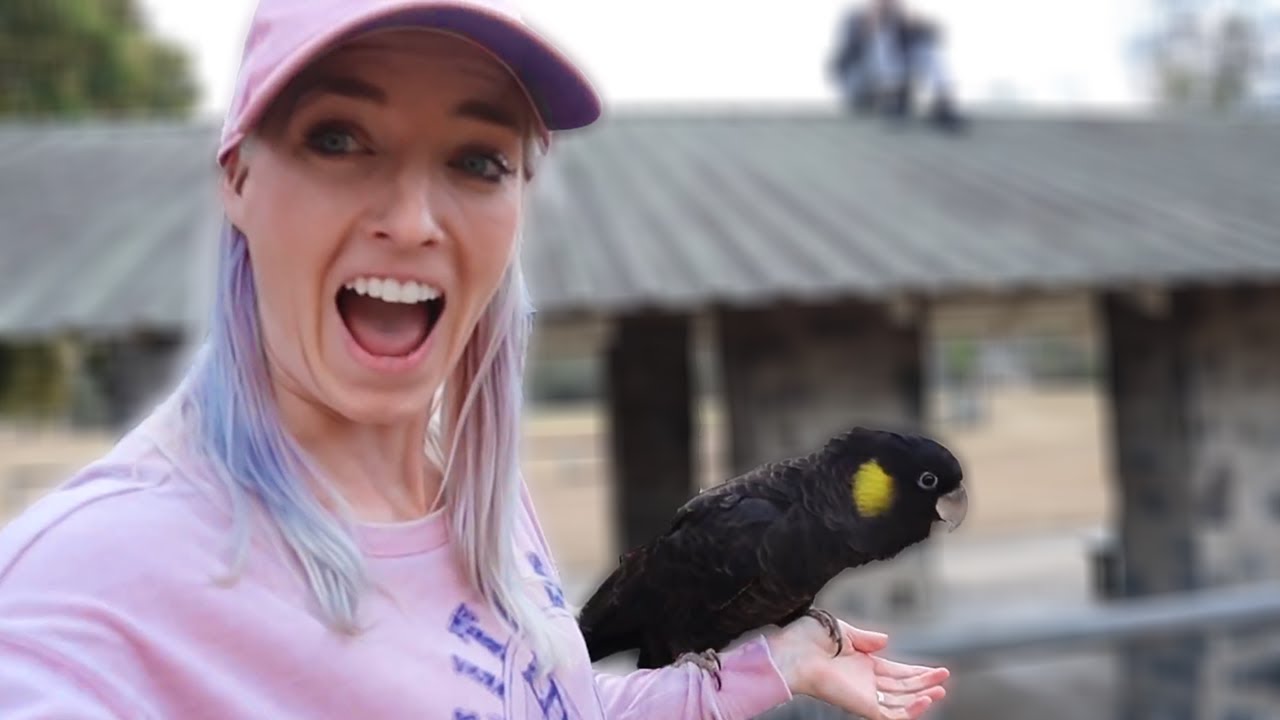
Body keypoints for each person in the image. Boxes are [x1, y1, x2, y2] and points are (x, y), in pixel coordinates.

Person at [0, 1, 952, 718]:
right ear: (237, 177)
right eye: (339, 138)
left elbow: (542, 706)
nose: (413, 220)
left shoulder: (482, 502)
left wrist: (773, 667)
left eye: (478, 158)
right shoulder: (80, 593)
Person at [831, 0, 965, 131]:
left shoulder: (902, 21)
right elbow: (842, 60)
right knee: (880, 37)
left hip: (898, 94)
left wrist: (919, 26)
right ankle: (891, 95)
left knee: (924, 47)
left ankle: (943, 101)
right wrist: (867, 28)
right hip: (862, 88)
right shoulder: (855, 17)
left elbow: (935, 39)